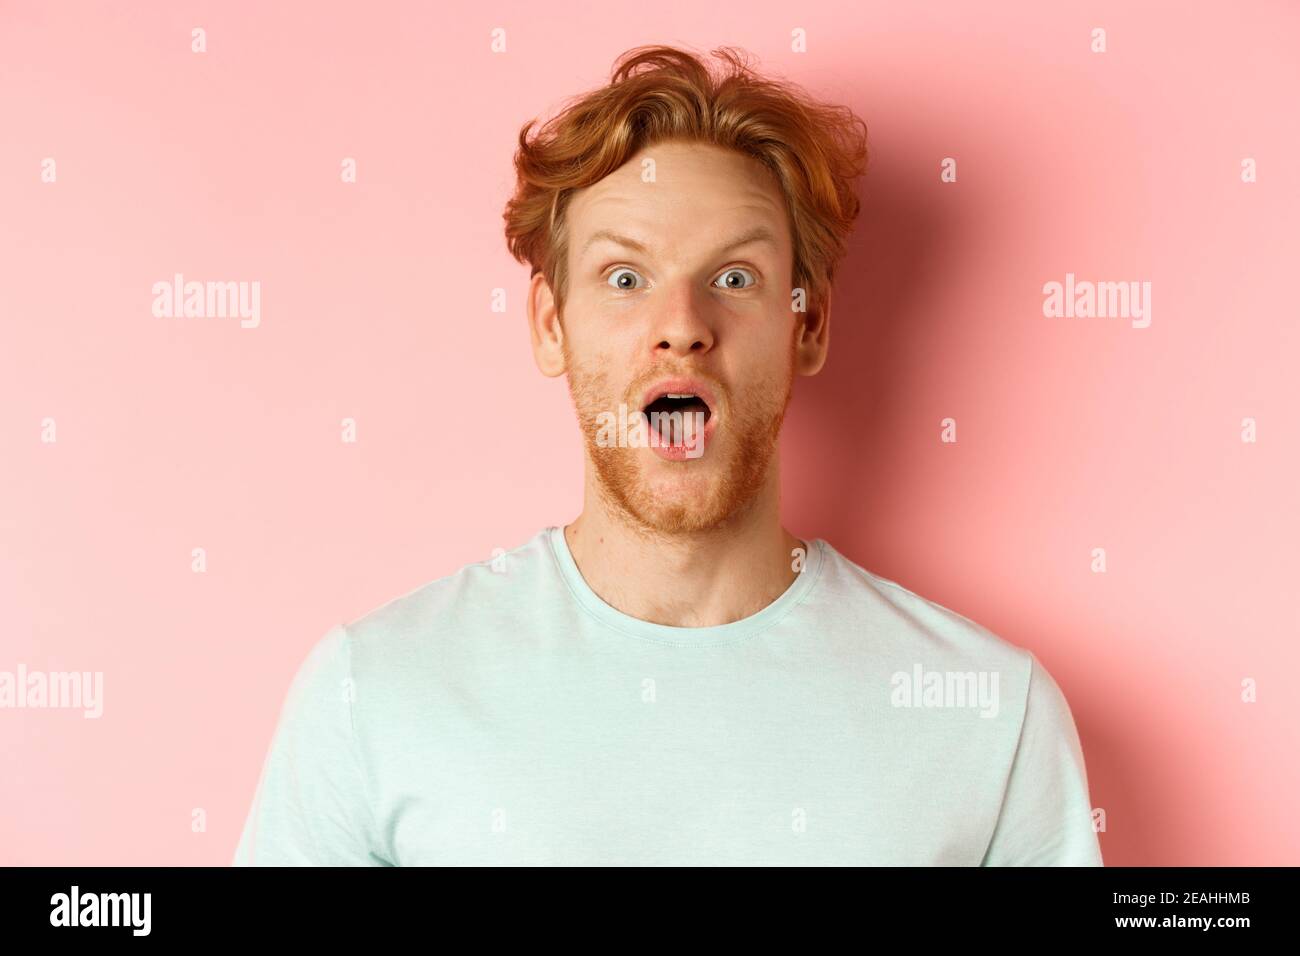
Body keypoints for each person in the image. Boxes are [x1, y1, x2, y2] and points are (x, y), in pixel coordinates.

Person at [233, 44, 1102, 866]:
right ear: (550, 325)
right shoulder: (373, 692)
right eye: (624, 278)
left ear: (809, 324)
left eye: (734, 277)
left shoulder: (990, 713)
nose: (682, 325)